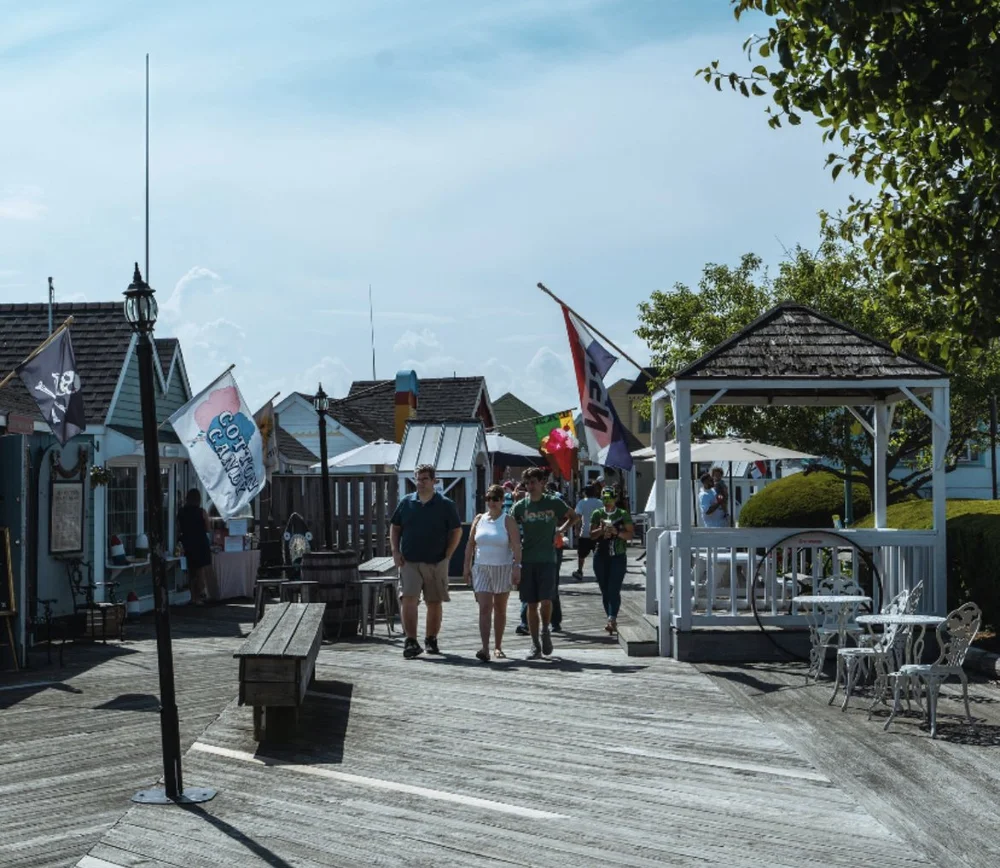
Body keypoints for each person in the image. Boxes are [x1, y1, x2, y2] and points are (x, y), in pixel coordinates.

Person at [390, 463, 463, 659]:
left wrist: (448, 555)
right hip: (409, 560)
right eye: (417, 479)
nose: (420, 483)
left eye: (424, 479)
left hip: (436, 561)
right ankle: (411, 641)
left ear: (433, 481)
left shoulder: (445, 504)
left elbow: (456, 531)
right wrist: (395, 551)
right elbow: (395, 527)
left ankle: (431, 639)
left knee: (434, 601)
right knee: (408, 599)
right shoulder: (406, 502)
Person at [510, 467, 576, 659]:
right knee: (530, 604)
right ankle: (534, 643)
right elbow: (510, 527)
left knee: (547, 600)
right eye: (527, 483)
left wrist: (560, 530)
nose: (530, 486)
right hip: (527, 560)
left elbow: (574, 516)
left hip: (548, 559)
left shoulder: (553, 502)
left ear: (542, 483)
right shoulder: (520, 506)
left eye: (533, 482)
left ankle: (545, 629)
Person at [463, 484, 522, 662]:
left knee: (500, 608)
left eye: (495, 499)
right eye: (488, 498)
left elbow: (516, 545)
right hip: (481, 567)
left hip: (502, 566)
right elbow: (470, 544)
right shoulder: (479, 519)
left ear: (502, 501)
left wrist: (517, 566)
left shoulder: (507, 520)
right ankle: (485, 647)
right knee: (484, 608)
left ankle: (498, 646)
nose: (491, 502)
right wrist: (466, 566)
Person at [590, 487, 634, 633]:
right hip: (600, 555)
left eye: (609, 498)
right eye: (604, 498)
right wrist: (602, 530)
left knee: (613, 588)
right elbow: (591, 535)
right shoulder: (597, 513)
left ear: (615, 499)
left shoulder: (622, 514)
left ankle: (612, 618)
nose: (607, 501)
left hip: (618, 555)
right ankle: (610, 616)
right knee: (604, 589)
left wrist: (617, 532)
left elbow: (629, 535)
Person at [177, 489, 211, 605]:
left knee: (191, 571)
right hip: (200, 542)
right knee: (200, 570)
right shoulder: (202, 512)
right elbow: (207, 528)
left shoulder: (181, 512)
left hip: (188, 543)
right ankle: (201, 594)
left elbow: (179, 528)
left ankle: (193, 597)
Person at [572, 483, 603, 580]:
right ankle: (599, 574)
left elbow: (578, 517)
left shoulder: (582, 502)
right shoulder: (600, 502)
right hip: (597, 532)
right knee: (598, 555)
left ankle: (580, 571)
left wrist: (576, 529)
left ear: (585, 493)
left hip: (585, 532)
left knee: (581, 555)